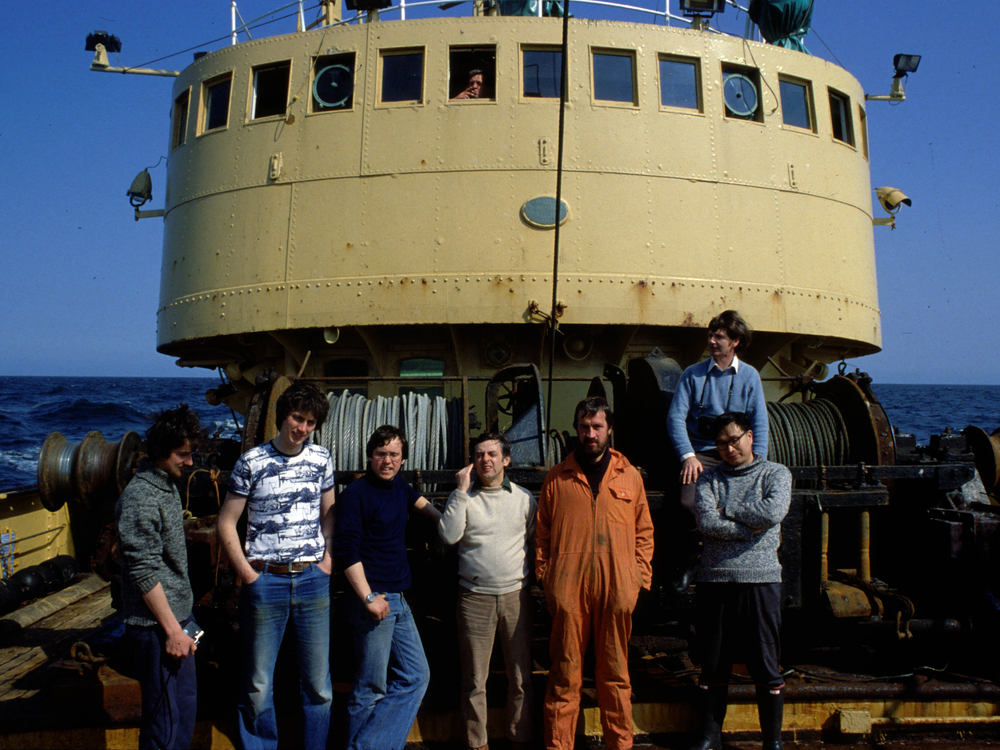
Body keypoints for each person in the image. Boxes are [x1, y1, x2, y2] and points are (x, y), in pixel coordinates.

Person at [218, 382, 335, 750]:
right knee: (258, 684)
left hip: (313, 580)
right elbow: (226, 522)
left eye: (310, 423)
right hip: (265, 581)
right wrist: (248, 575)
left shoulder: (321, 459)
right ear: (283, 415)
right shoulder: (251, 462)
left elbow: (330, 515)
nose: (302, 428)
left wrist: (327, 562)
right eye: (298, 418)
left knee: (318, 686)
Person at [536, 397, 654, 750]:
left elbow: (644, 532)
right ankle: (559, 746)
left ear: (609, 429)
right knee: (564, 674)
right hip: (568, 589)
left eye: (597, 427)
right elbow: (542, 533)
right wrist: (547, 576)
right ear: (576, 429)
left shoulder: (630, 476)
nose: (590, 434)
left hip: (618, 588)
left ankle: (620, 745)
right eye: (584, 427)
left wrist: (637, 579)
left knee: (616, 674)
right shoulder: (558, 477)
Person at [335, 425, 444, 750]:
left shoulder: (401, 487)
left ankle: (369, 745)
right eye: (381, 454)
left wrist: (453, 522)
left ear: (403, 459)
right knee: (370, 687)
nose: (387, 461)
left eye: (394, 455)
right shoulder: (355, 495)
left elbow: (428, 509)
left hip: (398, 599)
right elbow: (346, 550)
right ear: (370, 456)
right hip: (373, 600)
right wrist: (368, 597)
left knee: (416, 676)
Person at [689, 412, 791, 750]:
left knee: (765, 662)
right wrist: (751, 528)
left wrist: (728, 510)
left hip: (761, 580)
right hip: (715, 580)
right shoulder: (708, 479)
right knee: (713, 663)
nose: (730, 448)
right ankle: (710, 737)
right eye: (722, 444)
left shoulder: (776, 474)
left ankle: (772, 742)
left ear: (750, 436)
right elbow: (707, 522)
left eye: (734, 440)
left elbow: (773, 512)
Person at [439, 432, 536, 750]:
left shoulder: (524, 499)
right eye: (479, 454)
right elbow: (448, 535)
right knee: (474, 680)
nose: (485, 460)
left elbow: (533, 541)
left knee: (520, 677)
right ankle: (476, 743)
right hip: (474, 599)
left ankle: (519, 738)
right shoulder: (465, 498)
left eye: (492, 454)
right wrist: (460, 491)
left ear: (506, 459)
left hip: (515, 597)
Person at [116, 403, 203, 750]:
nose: (190, 462)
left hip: (181, 620)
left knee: (184, 710)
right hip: (157, 629)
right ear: (160, 452)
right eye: (183, 455)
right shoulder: (140, 497)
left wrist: (187, 627)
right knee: (163, 725)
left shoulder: (166, 486)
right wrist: (172, 632)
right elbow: (142, 570)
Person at [666, 310, 769, 592]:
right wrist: (687, 455)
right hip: (701, 453)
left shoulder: (749, 376)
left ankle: (734, 557)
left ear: (735, 342)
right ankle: (689, 563)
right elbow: (675, 418)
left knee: (745, 505)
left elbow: (760, 422)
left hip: (738, 454)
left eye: (719, 337)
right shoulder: (692, 374)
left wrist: (758, 464)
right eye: (710, 335)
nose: (712, 341)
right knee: (688, 503)